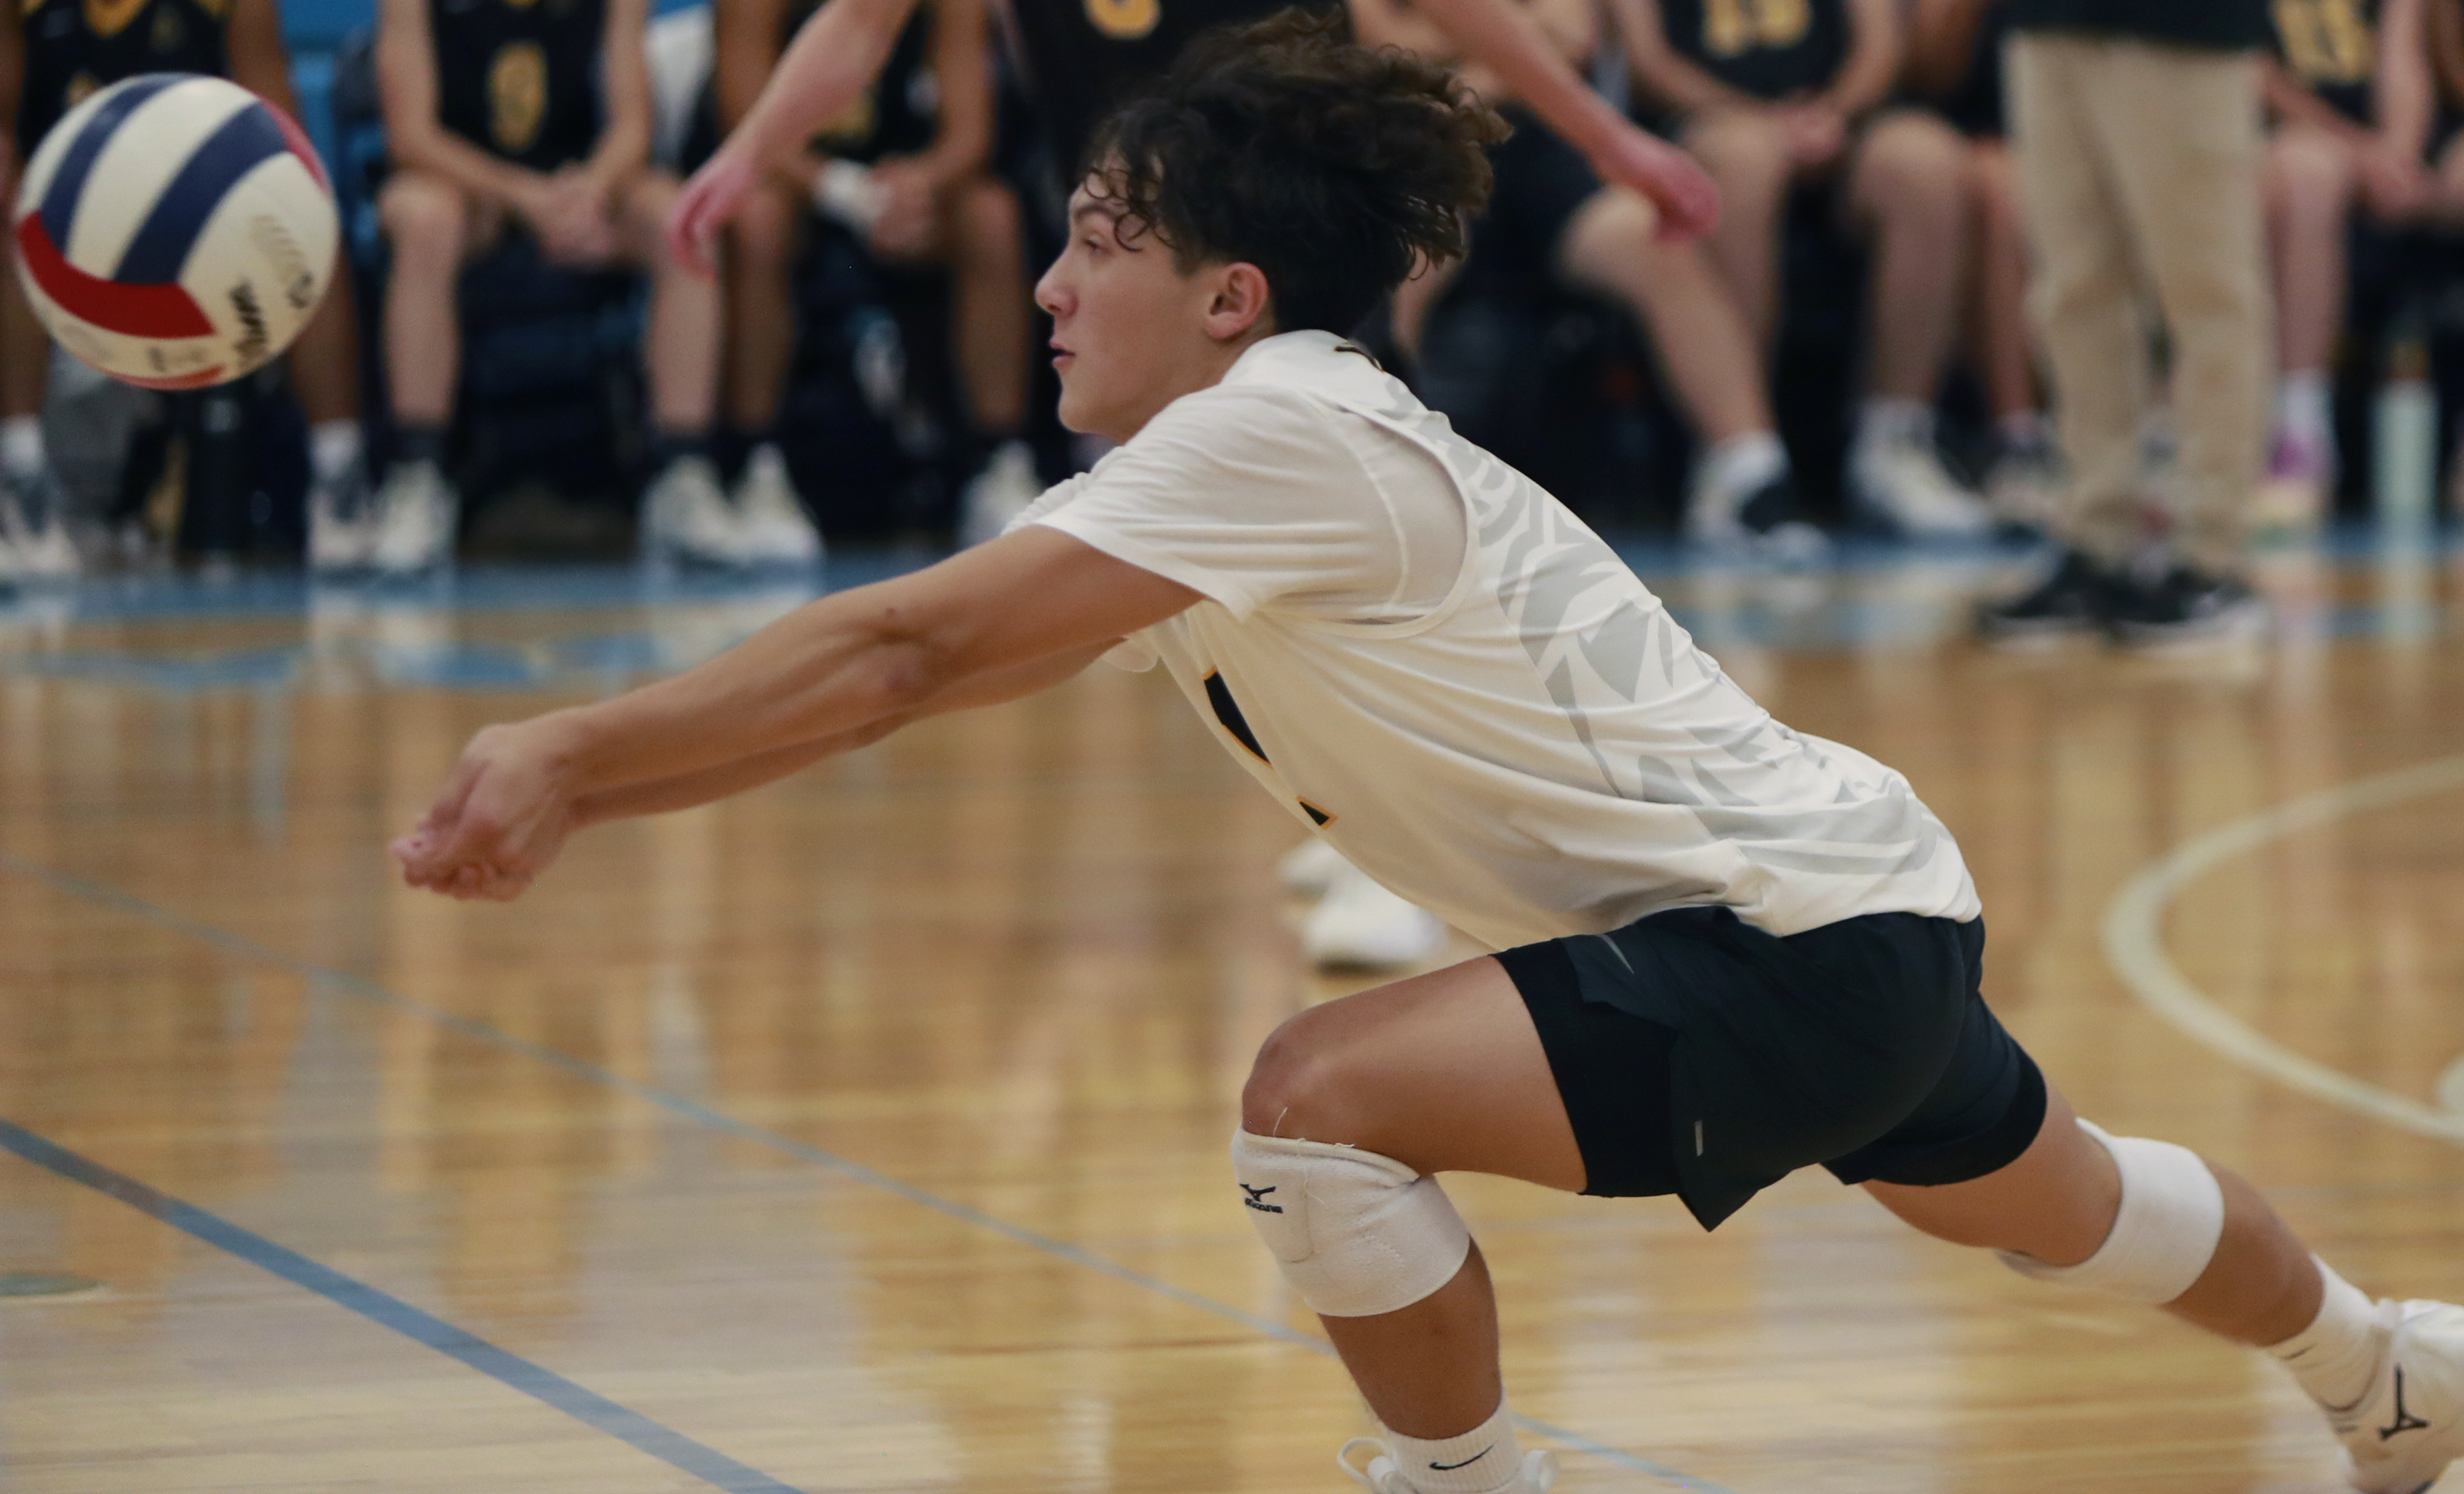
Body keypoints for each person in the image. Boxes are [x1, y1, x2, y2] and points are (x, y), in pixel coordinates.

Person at [390, 19, 2464, 1494]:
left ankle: (1463, 1476)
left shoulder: (1277, 427)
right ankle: (2387, 1371)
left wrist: (574, 750)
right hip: (1867, 905)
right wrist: (585, 791)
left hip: (1777, 937)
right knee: (2062, 1200)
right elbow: (892, 686)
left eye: (1092, 238)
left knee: (1318, 1104)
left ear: (1229, 291)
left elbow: (903, 645)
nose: (1042, 280)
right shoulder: (1247, 462)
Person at [1353, 0, 1822, 556]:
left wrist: (1470, 62)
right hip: (1426, 136)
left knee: (1658, 244)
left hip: (1539, 136)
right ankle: (1371, 463)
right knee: (1413, 250)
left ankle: (1749, 472)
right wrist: (1519, 43)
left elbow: (1576, 38)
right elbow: (1380, 45)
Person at [1, 0, 373, 577]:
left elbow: (278, 132)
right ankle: (19, 477)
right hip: (63, 222)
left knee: (304, 237)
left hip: (196, 224)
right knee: (9, 227)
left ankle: (339, 476)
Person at [372, 0, 736, 573]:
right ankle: (418, 475)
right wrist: (524, 198)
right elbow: (411, 137)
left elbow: (633, 126)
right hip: (464, 187)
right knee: (423, 222)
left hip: (577, 185)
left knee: (680, 224)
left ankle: (683, 472)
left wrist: (589, 190)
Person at [1615, 0, 1991, 537]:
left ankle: (1896, 439)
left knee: (1923, 160)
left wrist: (1836, 111)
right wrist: (1757, 117)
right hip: (1710, 121)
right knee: (1745, 158)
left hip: (1838, 123)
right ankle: (1740, 457)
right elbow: (1646, 62)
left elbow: (1880, 44)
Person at [1974, 0, 2274, 648]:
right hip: (2047, 22)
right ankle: (2095, 535)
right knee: (2072, 290)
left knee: (2206, 289)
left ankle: (2213, 553)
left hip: (2178, 29)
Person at [701, 0, 1018, 554]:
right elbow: (743, 121)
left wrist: (918, 183)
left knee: (991, 218)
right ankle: (757, 466)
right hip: (795, 180)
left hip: (898, 184)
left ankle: (1001, 463)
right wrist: (845, 192)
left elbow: (970, 133)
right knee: (756, 220)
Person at [2261, 0, 2430, 517]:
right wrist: (2359, 151)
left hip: (2372, 159)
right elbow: (2252, 73)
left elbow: (2407, 62)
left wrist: (2398, 153)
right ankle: (2299, 426)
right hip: (2273, 145)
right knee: (2310, 174)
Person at [1905, 0, 2060, 531]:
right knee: (2000, 187)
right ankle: (2018, 440)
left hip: (2087, 118)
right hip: (1969, 125)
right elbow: (1927, 71)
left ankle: (2156, 436)